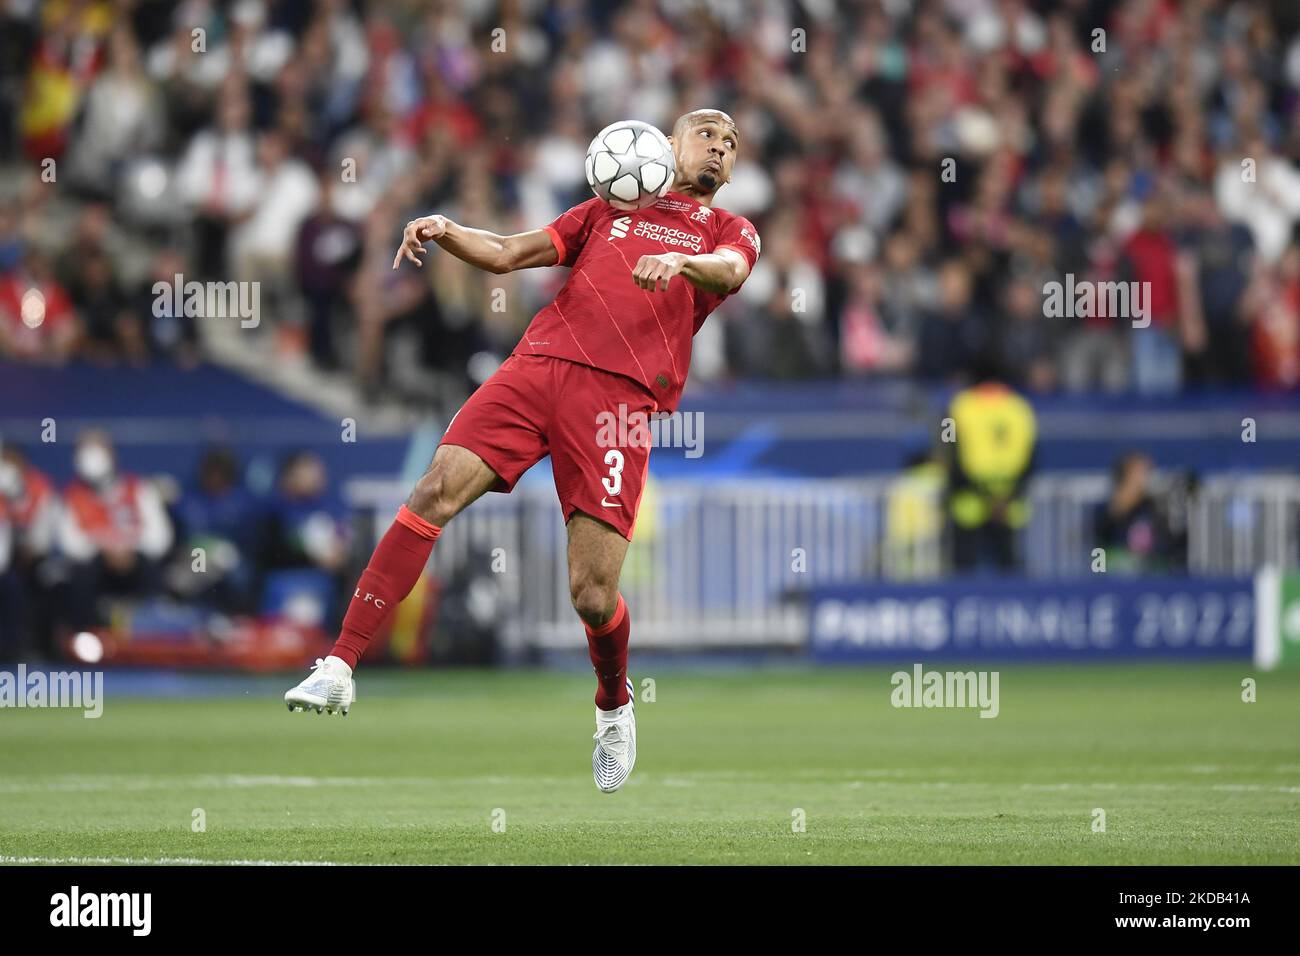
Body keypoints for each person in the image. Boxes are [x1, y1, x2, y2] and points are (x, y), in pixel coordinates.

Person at [284, 110, 761, 794]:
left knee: (592, 595)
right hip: (537, 367)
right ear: (666, 144)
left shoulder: (726, 229)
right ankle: (340, 664)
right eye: (707, 134)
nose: (719, 147)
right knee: (433, 490)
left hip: (619, 403)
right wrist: (447, 230)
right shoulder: (603, 210)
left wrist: (682, 260)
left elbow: (730, 271)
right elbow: (508, 252)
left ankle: (613, 705)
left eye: (730, 143)